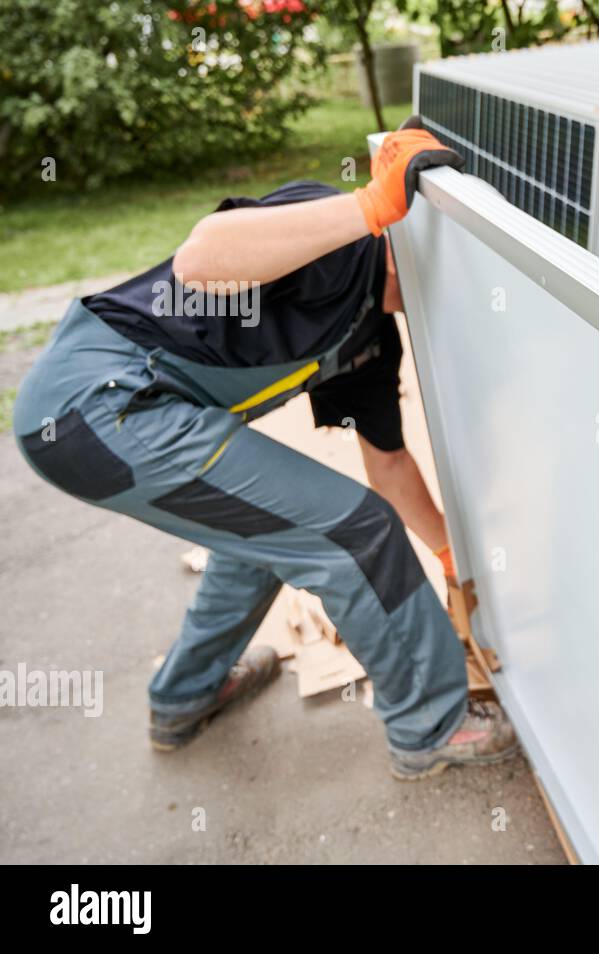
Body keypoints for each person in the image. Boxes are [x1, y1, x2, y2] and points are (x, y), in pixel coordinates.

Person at [13, 119, 516, 781]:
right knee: (355, 534)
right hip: (95, 405)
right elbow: (200, 259)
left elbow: (389, 463)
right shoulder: (337, 240)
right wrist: (367, 206)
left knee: (268, 538)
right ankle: (431, 724)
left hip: (130, 410)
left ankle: (183, 696)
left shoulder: (373, 335)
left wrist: (453, 555)